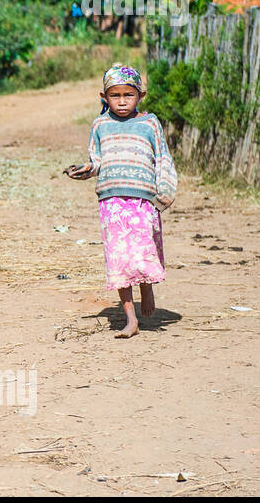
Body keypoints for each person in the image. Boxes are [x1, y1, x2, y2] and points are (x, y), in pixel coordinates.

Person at [65, 63, 177, 338]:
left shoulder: (150, 123)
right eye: (115, 96)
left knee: (142, 251)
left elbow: (163, 158)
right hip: (111, 200)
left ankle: (147, 287)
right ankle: (130, 319)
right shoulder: (100, 125)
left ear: (141, 95)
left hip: (143, 199)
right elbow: (97, 161)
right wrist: (84, 171)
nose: (122, 101)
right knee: (118, 259)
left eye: (129, 95)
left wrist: (164, 192)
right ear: (104, 97)